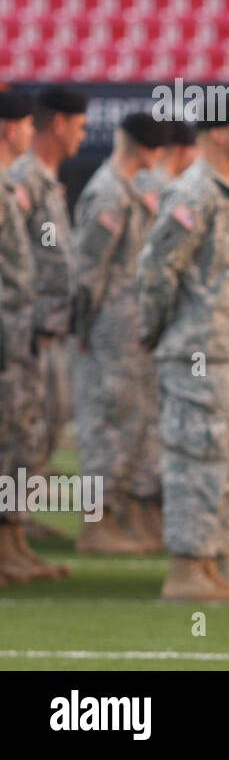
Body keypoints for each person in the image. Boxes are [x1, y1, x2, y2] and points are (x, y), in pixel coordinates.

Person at [138, 93, 229, 603]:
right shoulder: (193, 192)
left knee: (221, 460)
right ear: (218, 133)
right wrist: (162, 331)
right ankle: (186, 570)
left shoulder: (224, 190)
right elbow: (157, 270)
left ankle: (205, 561)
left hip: (223, 351)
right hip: (196, 352)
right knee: (195, 458)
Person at [72, 111, 169, 554]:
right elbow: (89, 270)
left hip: (131, 331)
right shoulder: (108, 192)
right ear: (143, 147)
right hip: (108, 330)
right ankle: (95, 523)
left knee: (131, 423)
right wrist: (82, 325)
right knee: (102, 424)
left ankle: (120, 511)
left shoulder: (134, 189)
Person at [0, 91, 68, 583]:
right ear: (11, 128)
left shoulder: (14, 185)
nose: (29, 134)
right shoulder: (14, 182)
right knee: (9, 436)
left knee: (23, 434)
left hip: (23, 331)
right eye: (24, 125)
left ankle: (13, 539)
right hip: (11, 332)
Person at [8, 86, 87, 485]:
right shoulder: (23, 179)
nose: (83, 136)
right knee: (22, 424)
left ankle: (21, 524)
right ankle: (12, 529)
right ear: (58, 124)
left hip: (49, 326)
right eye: (79, 127)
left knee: (42, 423)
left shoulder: (44, 179)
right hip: (27, 326)